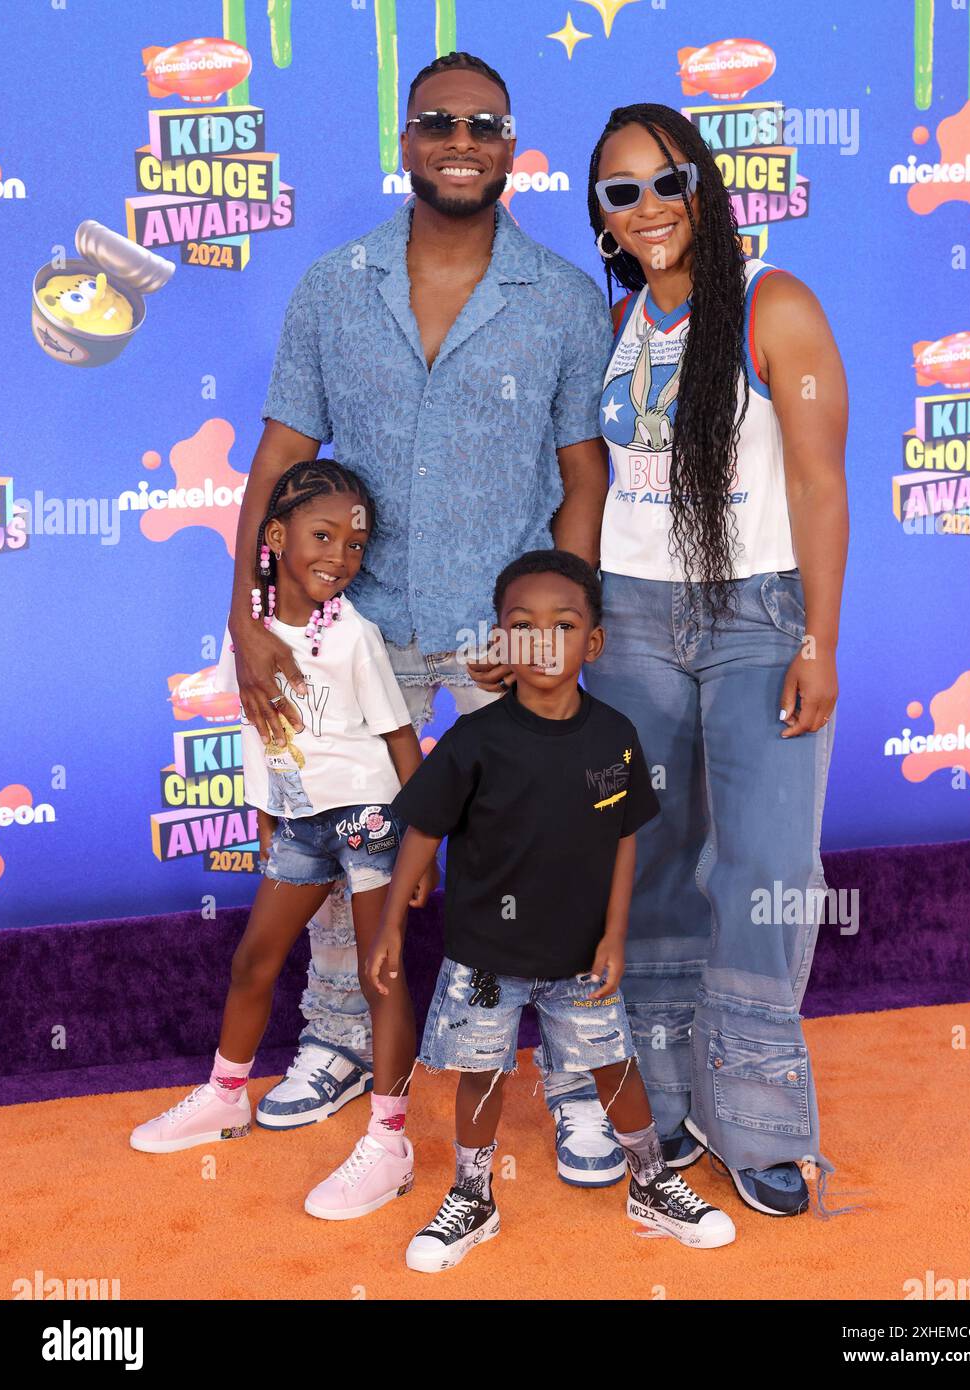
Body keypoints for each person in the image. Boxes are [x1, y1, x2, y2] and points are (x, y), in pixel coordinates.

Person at [227, 51, 625, 1184]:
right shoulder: (330, 286)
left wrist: (556, 623)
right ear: (407, 141)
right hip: (358, 628)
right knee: (347, 848)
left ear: (510, 146)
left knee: (545, 849)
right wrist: (255, 608)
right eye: (438, 120)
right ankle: (343, 1042)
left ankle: (572, 1076)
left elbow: (582, 477)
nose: (461, 138)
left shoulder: (557, 298)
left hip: (505, 631)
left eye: (484, 123)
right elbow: (279, 456)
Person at [579, 103, 848, 1215]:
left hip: (757, 614)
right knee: (649, 859)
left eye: (665, 179)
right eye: (620, 191)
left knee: (769, 873)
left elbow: (822, 483)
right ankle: (670, 1099)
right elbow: (592, 487)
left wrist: (819, 639)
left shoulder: (772, 304)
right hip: (632, 619)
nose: (647, 207)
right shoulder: (615, 324)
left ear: (705, 185)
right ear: (601, 219)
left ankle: (764, 1123)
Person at [366, 551, 736, 1271]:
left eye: (562, 626)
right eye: (521, 626)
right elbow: (423, 826)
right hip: (484, 959)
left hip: (579, 954)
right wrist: (392, 922)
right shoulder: (476, 740)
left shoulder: (614, 737)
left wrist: (616, 936)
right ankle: (473, 1197)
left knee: (615, 1067)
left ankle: (652, 1182)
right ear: (500, 642)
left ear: (592, 644)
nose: (542, 641)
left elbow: (628, 839)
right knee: (483, 1072)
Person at [131, 460, 435, 1223]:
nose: (340, 557)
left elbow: (401, 737)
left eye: (356, 545)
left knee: (381, 977)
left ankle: (391, 1141)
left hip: (369, 818)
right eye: (323, 536)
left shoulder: (355, 634)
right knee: (253, 960)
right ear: (275, 536)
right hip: (300, 823)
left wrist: (424, 844)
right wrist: (267, 812)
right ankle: (227, 1095)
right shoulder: (252, 630)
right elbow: (258, 730)